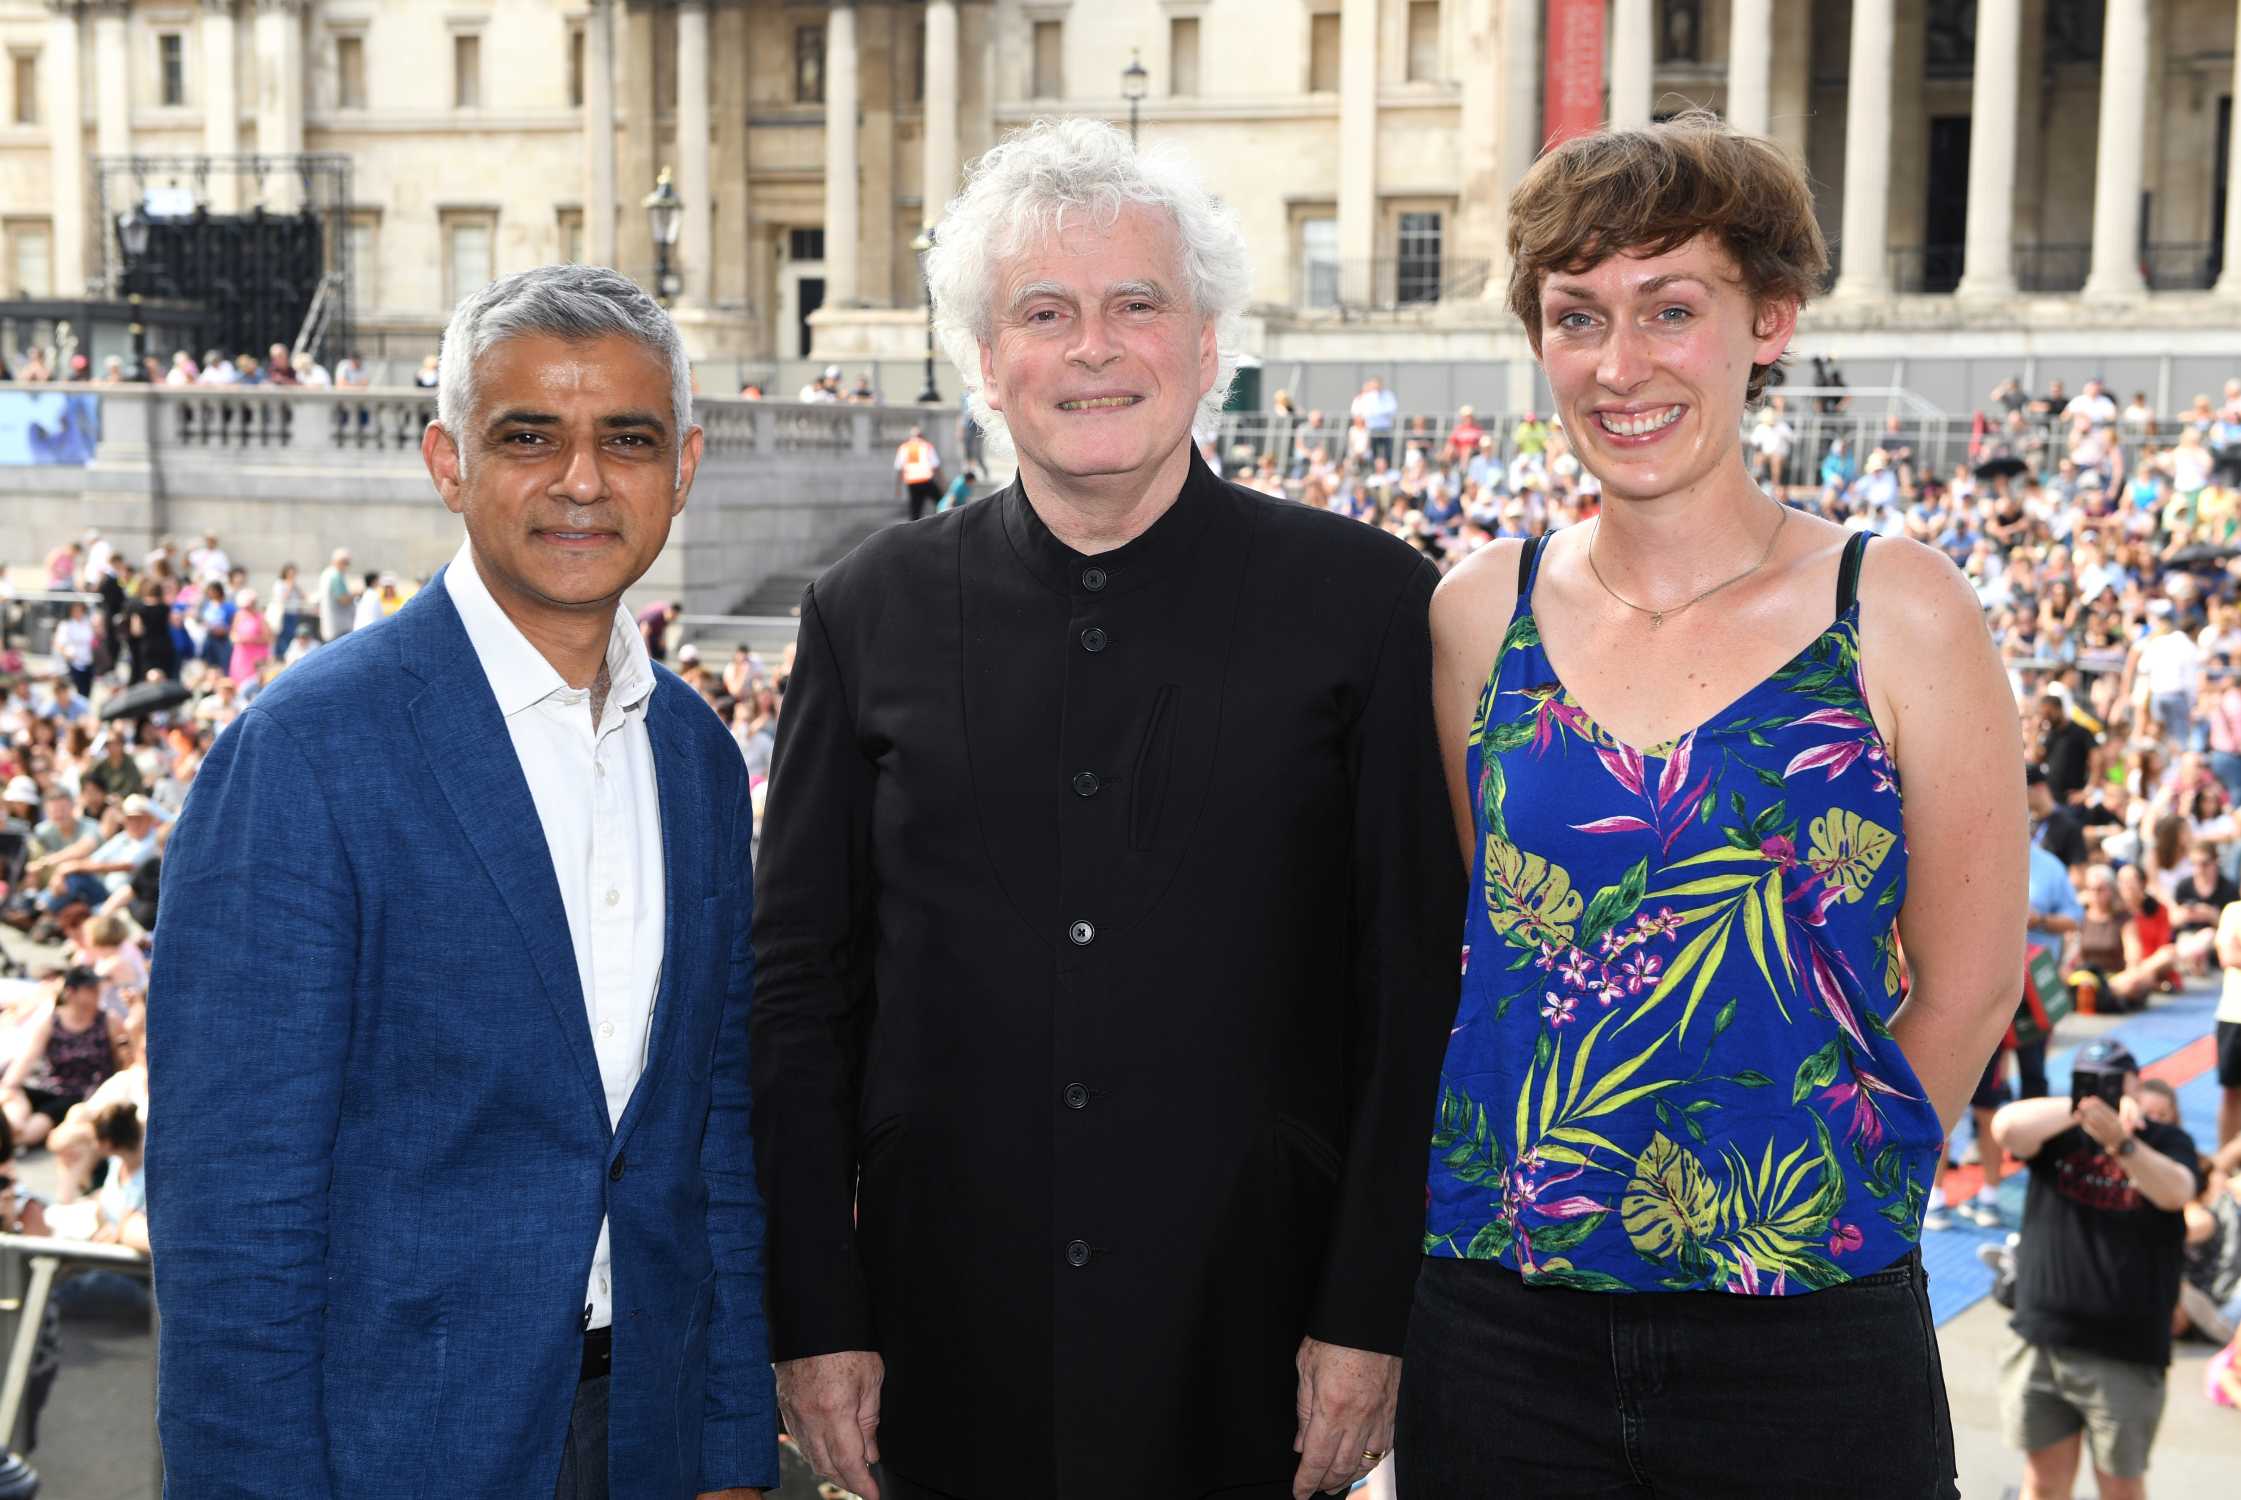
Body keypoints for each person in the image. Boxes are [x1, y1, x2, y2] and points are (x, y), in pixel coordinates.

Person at [751, 118, 1458, 1500]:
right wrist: (817, 1316)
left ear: (1208, 346)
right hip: (942, 1329)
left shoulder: (1366, 604)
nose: (1093, 348)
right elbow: (799, 990)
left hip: (1250, 1327)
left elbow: (1409, 983)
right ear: (983, 361)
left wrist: (1369, 1308)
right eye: (1044, 312)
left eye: (1138, 304)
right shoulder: (861, 612)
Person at [1398, 115, 2025, 1498]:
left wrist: (1819, 1186)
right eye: (1576, 317)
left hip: (1806, 1335)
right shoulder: (1470, 614)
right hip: (1499, 1323)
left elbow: (1975, 981)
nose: (1618, 367)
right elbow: (1497, 960)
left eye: (1670, 310)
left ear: (1769, 321)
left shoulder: (1899, 608)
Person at [148, 263, 776, 1500]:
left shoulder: (697, 759)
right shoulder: (305, 754)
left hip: (644, 1433)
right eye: (529, 437)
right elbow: (234, 1222)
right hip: (391, 1452)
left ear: (684, 470)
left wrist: (726, 1444)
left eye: (628, 440)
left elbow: (712, 1140)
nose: (583, 481)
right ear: (448, 463)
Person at [1992, 1041, 2204, 1500]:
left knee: (2120, 1487)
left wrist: (2122, 1144)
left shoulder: (2166, 1140)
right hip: (2042, 1340)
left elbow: (2177, 1191)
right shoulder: (2058, 1132)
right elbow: (2005, 1128)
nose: (2100, 1090)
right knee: (2043, 1483)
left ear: (2134, 1081)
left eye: (2110, 1080)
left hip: (2124, 1351)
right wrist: (2079, 1107)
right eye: (2089, 1078)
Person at [0, 967, 132, 1150]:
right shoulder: (52, 1020)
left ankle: (15, 1138)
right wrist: (10, 1086)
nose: (96, 993)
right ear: (71, 992)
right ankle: (13, 1130)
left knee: (43, 1118)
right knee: (12, 1092)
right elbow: (28, 1055)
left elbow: (125, 1060)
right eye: (90, 989)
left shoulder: (109, 1021)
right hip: (48, 1086)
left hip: (80, 1093)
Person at [893, 424, 942, 520]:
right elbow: (936, 466)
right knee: (941, 502)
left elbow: (899, 468)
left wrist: (898, 487)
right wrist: (943, 484)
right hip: (925, 480)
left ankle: (913, 530)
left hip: (912, 482)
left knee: (915, 510)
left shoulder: (904, 447)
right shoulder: (926, 446)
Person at [317, 546, 356, 640]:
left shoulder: (326, 573)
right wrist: (355, 593)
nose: (347, 566)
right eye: (346, 563)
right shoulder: (336, 576)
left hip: (330, 626)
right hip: (339, 627)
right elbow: (343, 599)